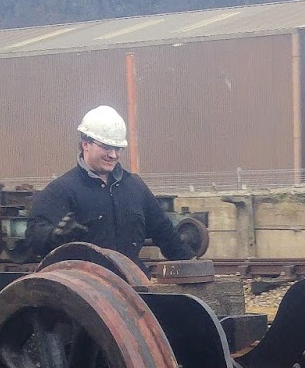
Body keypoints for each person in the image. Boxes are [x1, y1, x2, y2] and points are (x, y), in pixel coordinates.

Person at [23, 105, 194, 268]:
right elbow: (33, 236)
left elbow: (164, 233)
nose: (113, 155)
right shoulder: (62, 190)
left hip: (132, 284)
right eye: (106, 147)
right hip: (84, 288)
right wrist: (54, 236)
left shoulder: (135, 187)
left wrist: (191, 263)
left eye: (118, 148)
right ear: (85, 144)